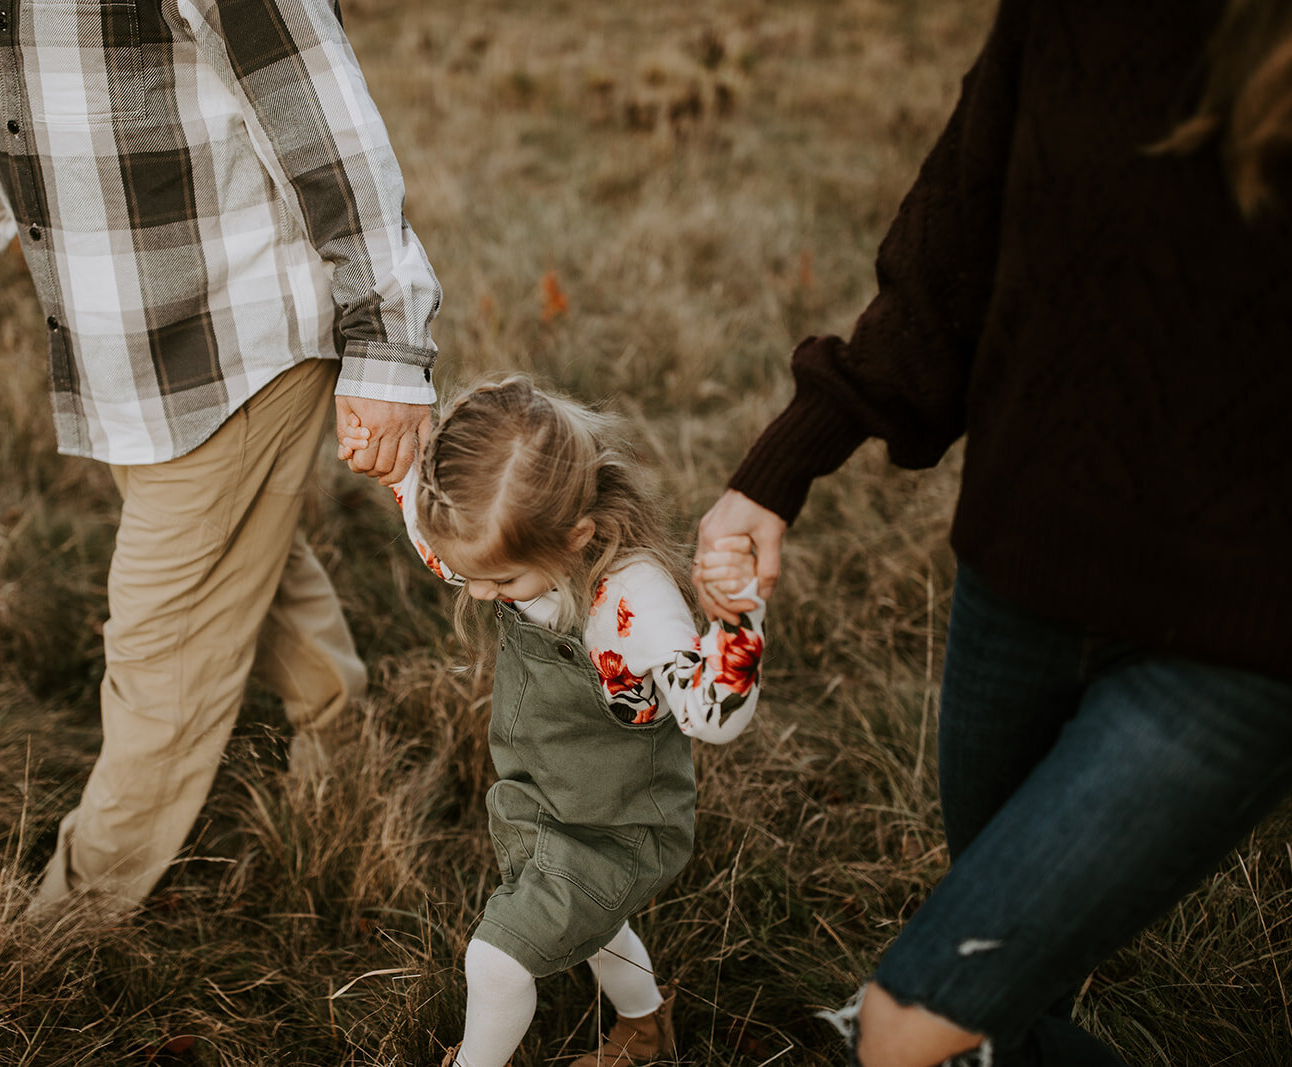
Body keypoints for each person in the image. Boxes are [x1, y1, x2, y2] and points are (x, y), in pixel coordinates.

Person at [693, 0, 1292, 1064]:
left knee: (909, 1023)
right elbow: (957, 236)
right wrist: (782, 468)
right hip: (1020, 577)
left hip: (1233, 648)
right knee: (1003, 1007)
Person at [0, 0, 442, 917]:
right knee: (237, 545)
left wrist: (389, 346)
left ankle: (63, 927)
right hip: (123, 348)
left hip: (243, 333)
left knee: (162, 647)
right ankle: (347, 743)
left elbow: (329, 127)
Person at [341, 376, 767, 1067]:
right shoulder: (511, 543)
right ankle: (646, 1029)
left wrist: (740, 623)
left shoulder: (633, 603)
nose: (479, 593)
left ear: (576, 537)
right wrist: (400, 464)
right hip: (542, 798)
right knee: (596, 928)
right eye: (473, 573)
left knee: (496, 959)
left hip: (616, 825)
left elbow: (709, 717)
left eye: (502, 582)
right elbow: (443, 543)